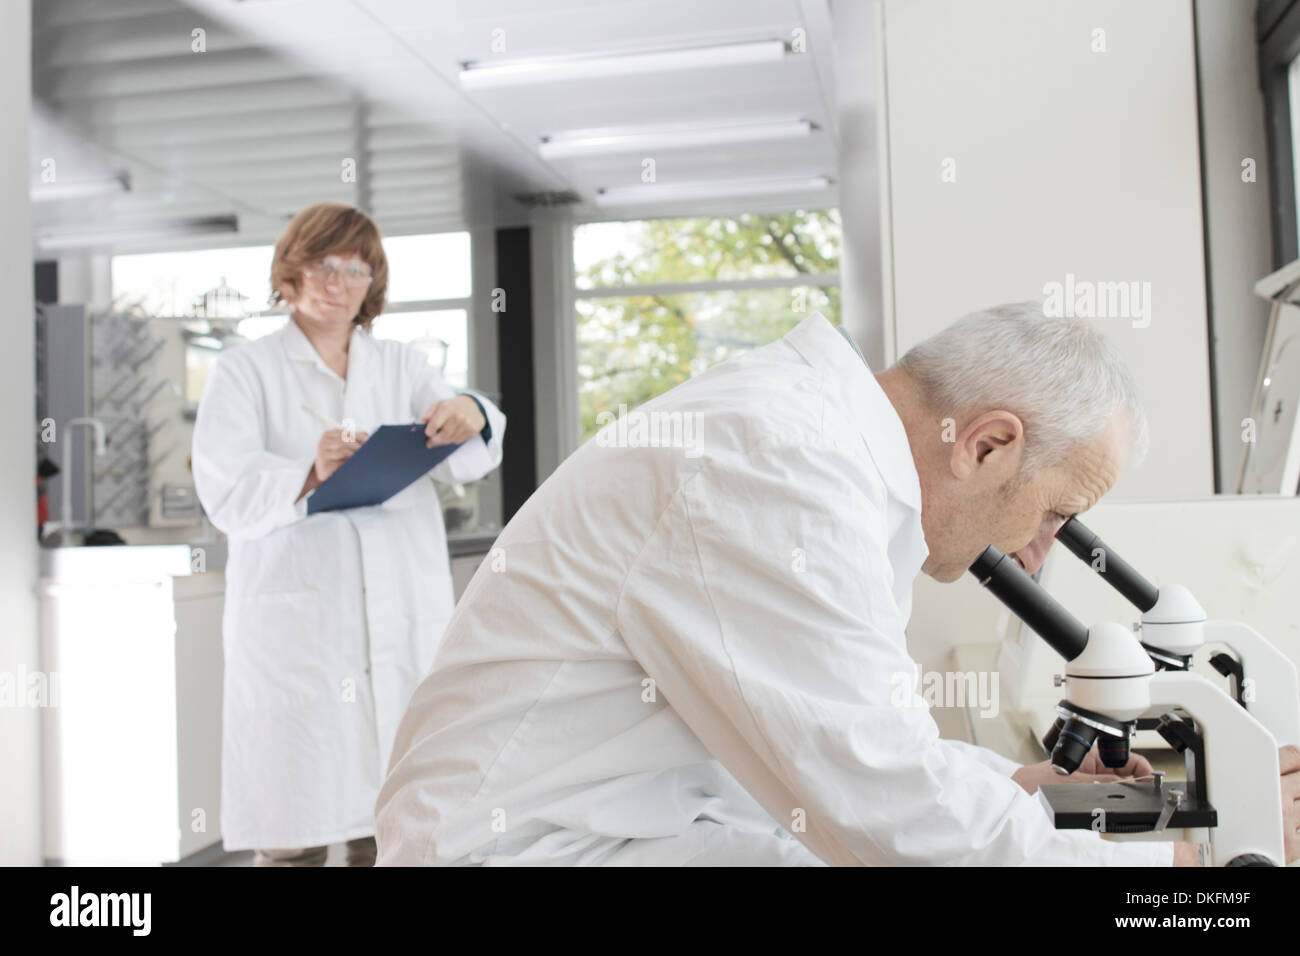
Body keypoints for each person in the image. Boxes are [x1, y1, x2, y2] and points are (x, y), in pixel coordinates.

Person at [373, 301, 1299, 866]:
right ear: (986, 444)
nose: (1036, 553)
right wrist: (1186, 866)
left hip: (624, 831)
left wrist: (1024, 790)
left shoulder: (817, 452)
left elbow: (852, 745)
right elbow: (887, 810)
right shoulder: (777, 465)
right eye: (1053, 513)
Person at [191, 202, 505, 866]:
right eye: (323, 266)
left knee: (390, 822)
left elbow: (470, 447)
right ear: (291, 272)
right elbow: (224, 490)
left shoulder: (401, 363)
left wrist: (469, 410)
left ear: (373, 281)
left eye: (355, 269)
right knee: (291, 828)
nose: (338, 283)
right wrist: (310, 471)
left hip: (397, 613)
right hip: (297, 627)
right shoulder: (245, 371)